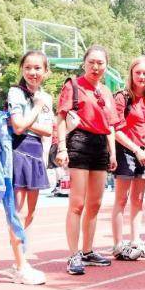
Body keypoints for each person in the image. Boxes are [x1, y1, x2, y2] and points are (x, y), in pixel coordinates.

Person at [55, 45, 119, 275]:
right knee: (77, 204)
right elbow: (61, 118)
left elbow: (110, 126)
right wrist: (62, 148)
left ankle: (87, 251)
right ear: (84, 63)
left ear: (106, 66)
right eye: (91, 62)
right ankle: (73, 255)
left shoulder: (107, 92)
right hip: (79, 142)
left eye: (100, 63)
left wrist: (112, 152)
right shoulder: (73, 85)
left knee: (95, 203)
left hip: (100, 145)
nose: (95, 67)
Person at [6, 50, 54, 285]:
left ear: (46, 71)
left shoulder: (46, 97)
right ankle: (20, 265)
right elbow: (17, 127)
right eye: (28, 67)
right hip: (18, 150)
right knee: (18, 212)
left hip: (35, 152)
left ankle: (20, 259)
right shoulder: (15, 92)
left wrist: (28, 122)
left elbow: (48, 131)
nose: (32, 72)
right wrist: (36, 109)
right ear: (22, 69)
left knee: (31, 212)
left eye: (37, 68)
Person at [111, 56, 145, 261]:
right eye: (138, 72)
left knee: (138, 200)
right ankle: (118, 244)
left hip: (144, 153)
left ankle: (136, 242)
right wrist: (136, 150)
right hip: (126, 151)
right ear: (131, 73)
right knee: (121, 199)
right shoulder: (122, 97)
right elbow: (116, 129)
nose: (141, 76)